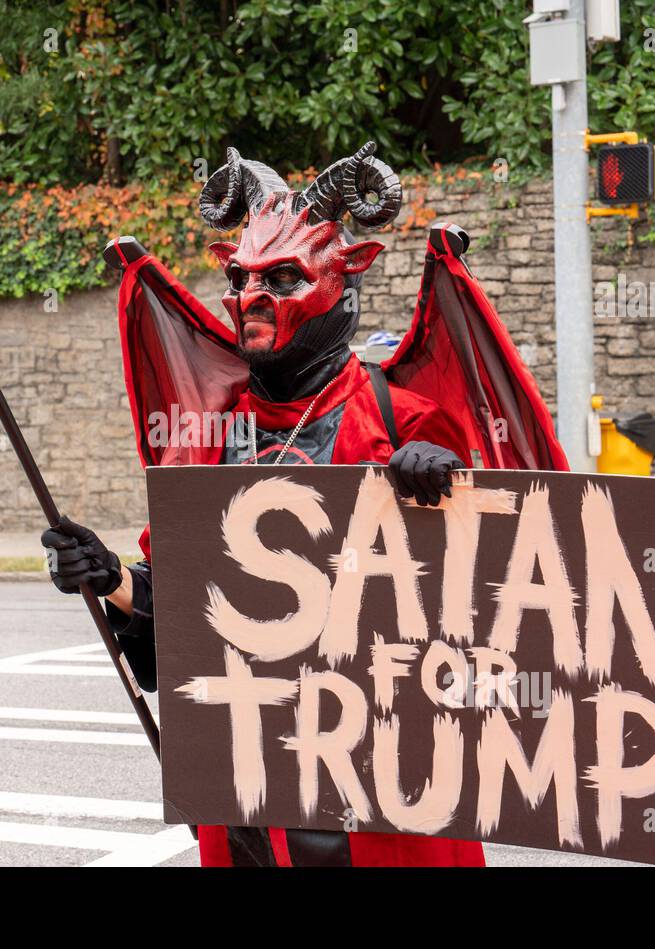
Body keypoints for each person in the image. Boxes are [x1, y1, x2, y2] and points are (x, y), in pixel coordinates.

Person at [41, 142, 565, 867]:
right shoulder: (217, 438)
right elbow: (183, 617)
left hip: (389, 801)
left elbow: (504, 595)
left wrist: (446, 487)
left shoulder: (403, 415)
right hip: (253, 800)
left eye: (282, 277)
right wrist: (110, 580)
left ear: (342, 281)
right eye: (240, 276)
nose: (251, 296)